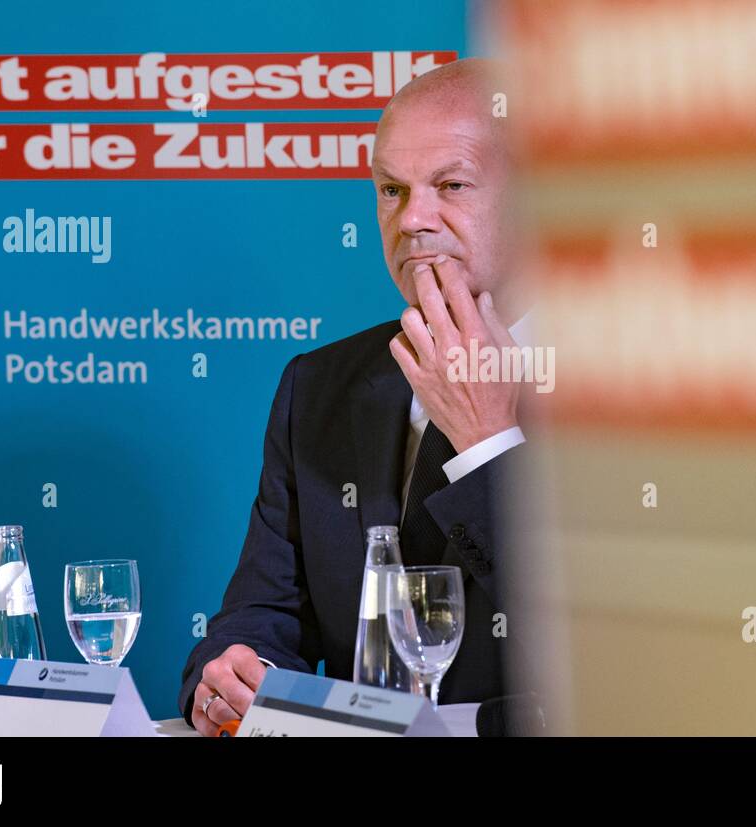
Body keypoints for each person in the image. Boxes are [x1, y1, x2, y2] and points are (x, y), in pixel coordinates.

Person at [178, 58, 534, 735]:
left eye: (451, 185)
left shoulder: (625, 392)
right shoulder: (317, 387)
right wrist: (227, 676)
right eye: (391, 190)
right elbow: (263, 613)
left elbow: (608, 639)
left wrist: (490, 446)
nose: (412, 220)